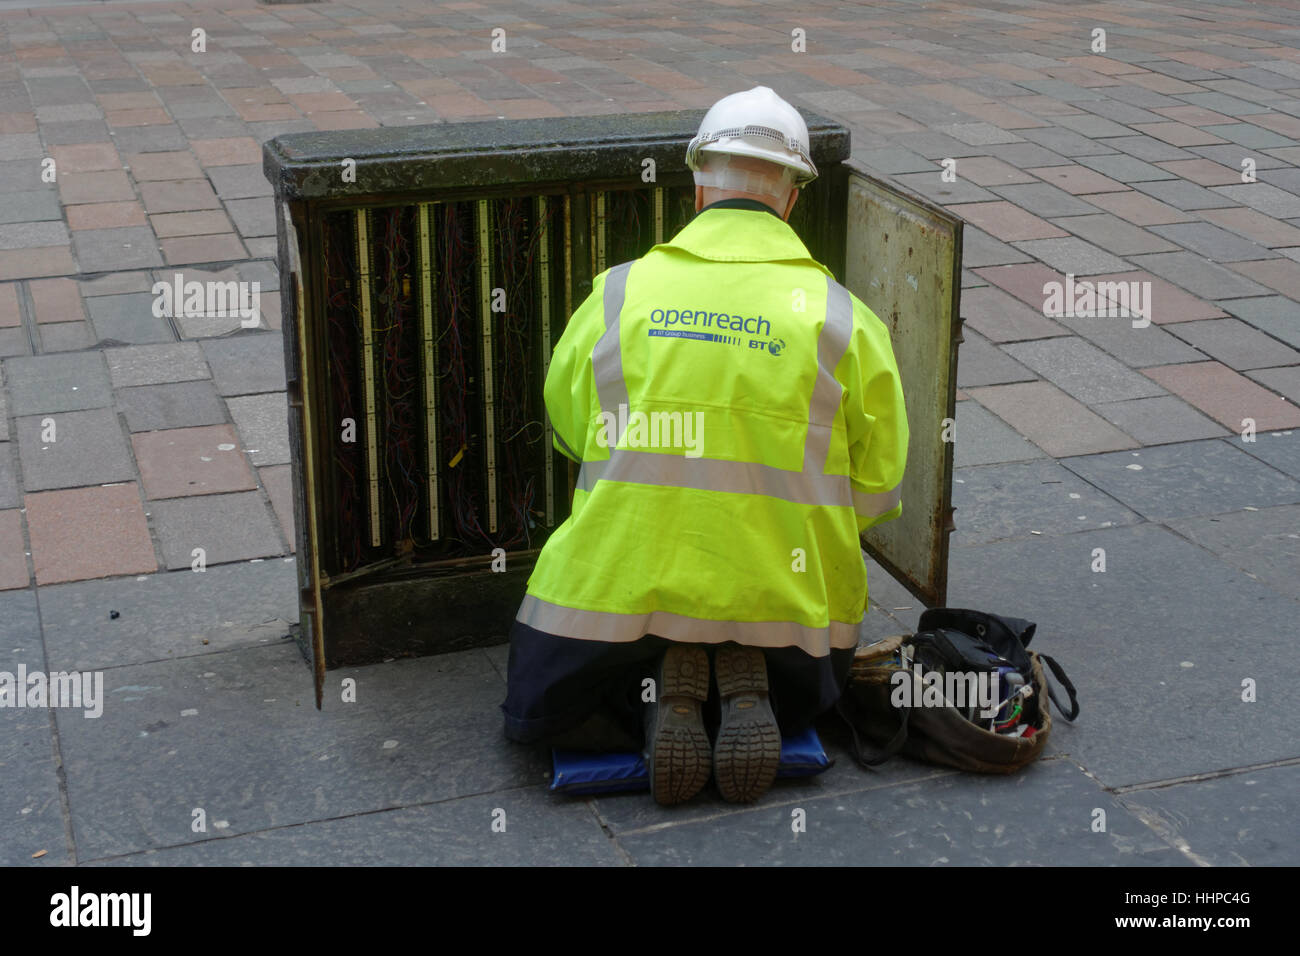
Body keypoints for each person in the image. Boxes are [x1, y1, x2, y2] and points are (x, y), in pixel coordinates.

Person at [501, 86, 909, 805]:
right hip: (797, 632)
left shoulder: (618, 296)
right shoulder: (844, 322)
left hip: (603, 620)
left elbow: (569, 430)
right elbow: (878, 490)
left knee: (541, 713)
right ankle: (742, 677)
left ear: (696, 187)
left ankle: (657, 695)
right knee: (793, 671)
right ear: (792, 199)